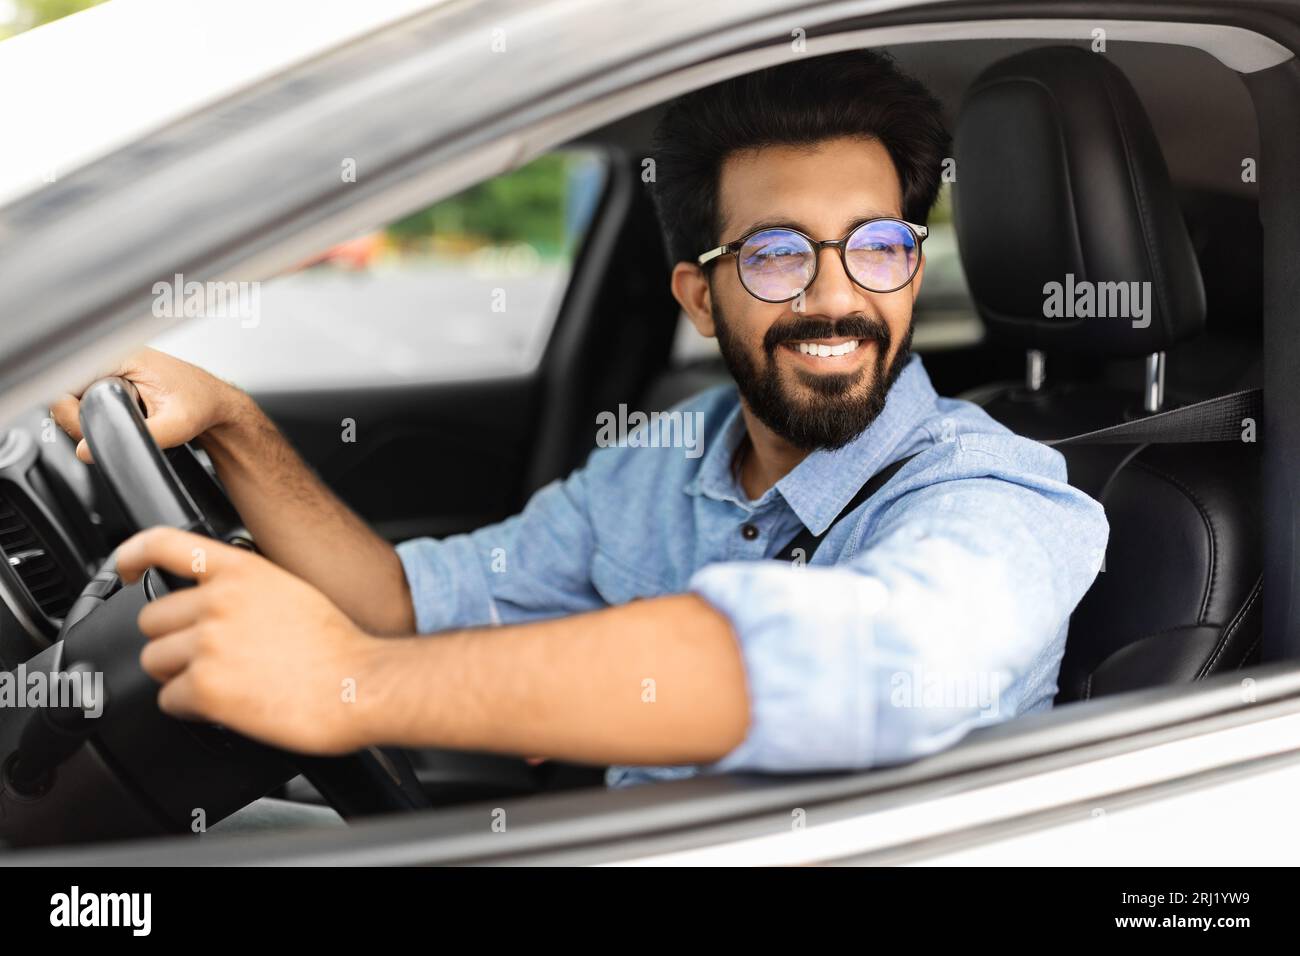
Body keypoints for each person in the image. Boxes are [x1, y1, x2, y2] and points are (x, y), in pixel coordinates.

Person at [53, 50, 1107, 787]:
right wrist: (233, 420)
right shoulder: (668, 460)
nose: (835, 297)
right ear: (699, 296)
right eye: (777, 254)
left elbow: (881, 663)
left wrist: (351, 683)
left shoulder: (994, 490)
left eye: (877, 245)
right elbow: (406, 601)